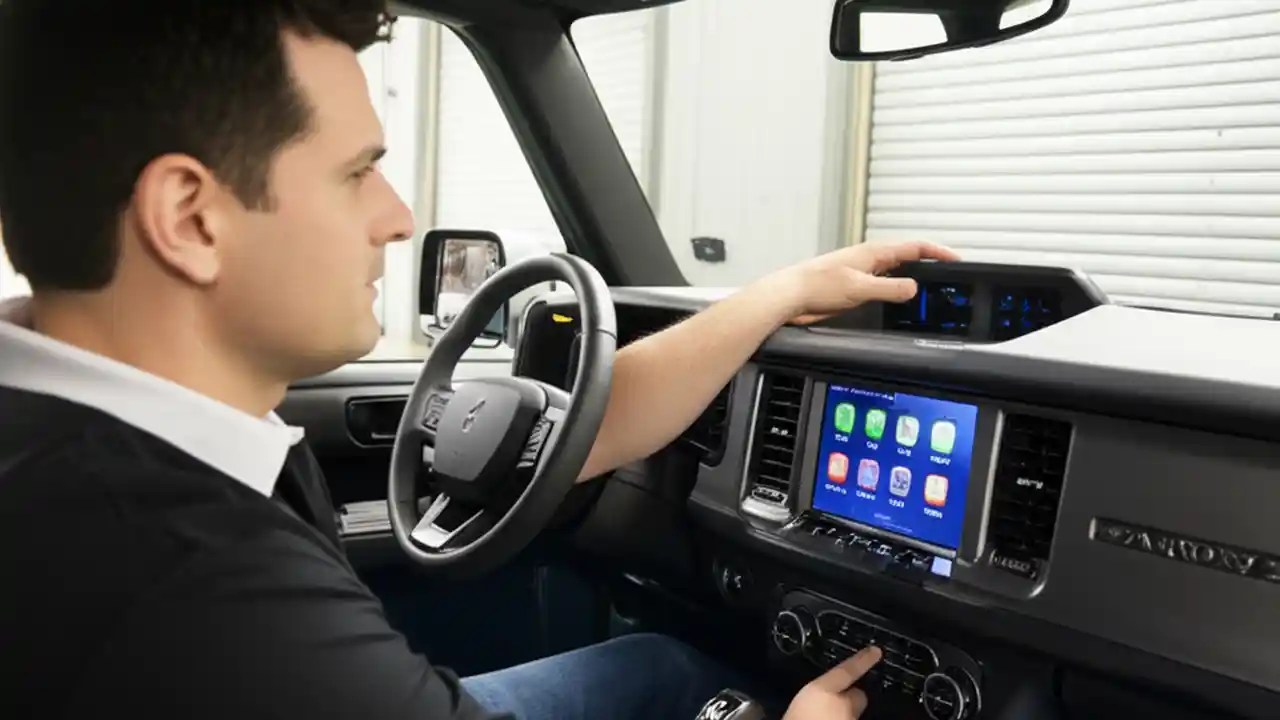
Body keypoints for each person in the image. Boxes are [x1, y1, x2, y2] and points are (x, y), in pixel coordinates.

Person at [0, 1, 957, 718]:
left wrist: (779, 296)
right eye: (355, 172)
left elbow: (564, 442)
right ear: (190, 219)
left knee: (654, 670)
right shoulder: (199, 595)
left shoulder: (87, 426)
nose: (397, 216)